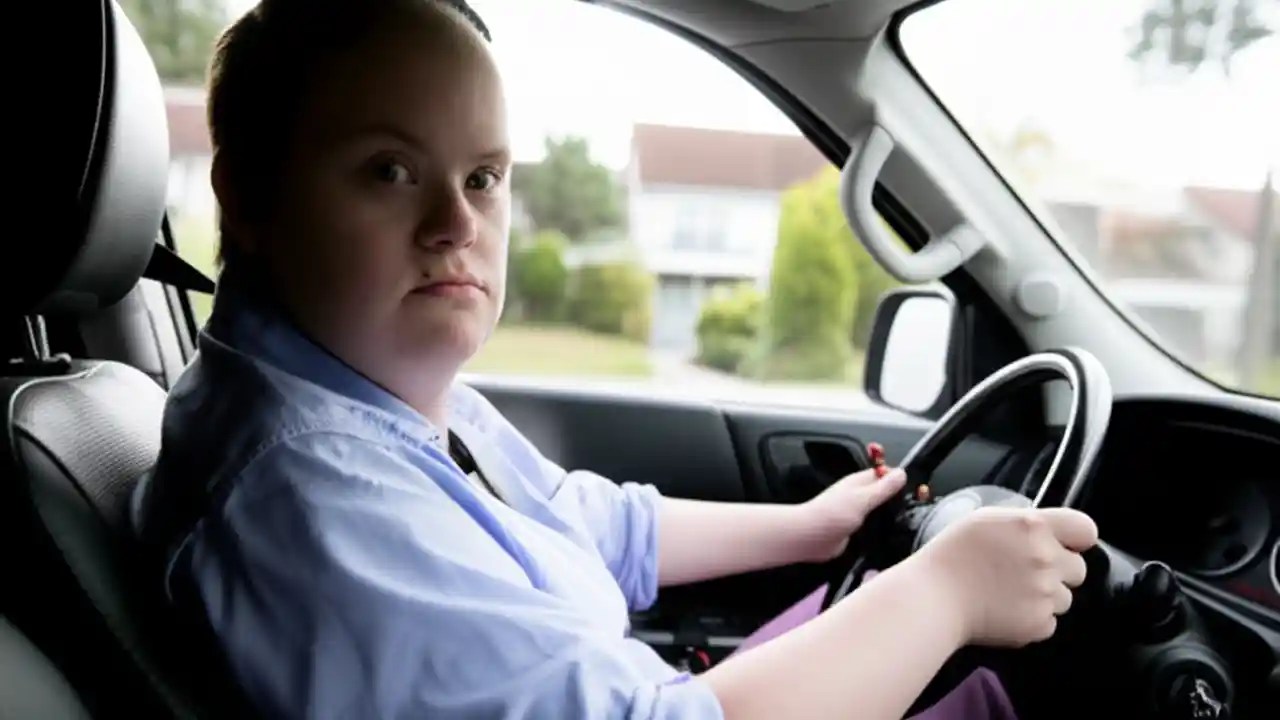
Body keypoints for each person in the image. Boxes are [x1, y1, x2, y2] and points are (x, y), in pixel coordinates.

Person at [131, 1, 1100, 718]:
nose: (457, 222)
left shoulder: (379, 405)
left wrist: (809, 529)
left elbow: (588, 523)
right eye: (390, 170)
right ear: (248, 198)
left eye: (484, 177)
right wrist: (945, 592)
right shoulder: (311, 496)